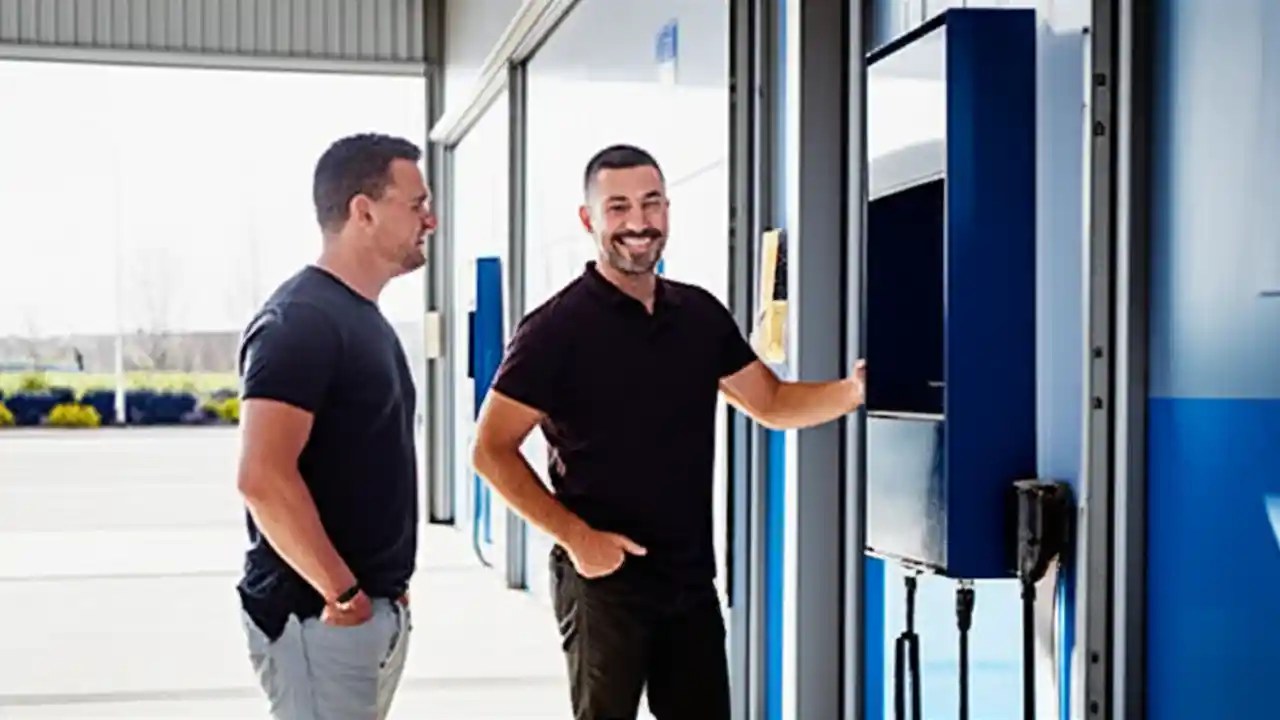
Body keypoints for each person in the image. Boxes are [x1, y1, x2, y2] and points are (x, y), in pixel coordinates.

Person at [471, 143, 867, 720]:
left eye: (651, 203)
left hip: (688, 580)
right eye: (619, 207)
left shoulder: (699, 315)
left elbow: (772, 402)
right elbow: (489, 449)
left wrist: (853, 392)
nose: (638, 222)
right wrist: (578, 538)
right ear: (589, 220)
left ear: (668, 211)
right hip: (604, 581)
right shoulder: (556, 329)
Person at [233, 132, 435, 720]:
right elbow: (262, 477)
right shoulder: (300, 321)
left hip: (362, 616)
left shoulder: (361, 319)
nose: (432, 219)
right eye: (417, 204)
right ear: (363, 211)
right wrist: (342, 592)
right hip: (319, 618)